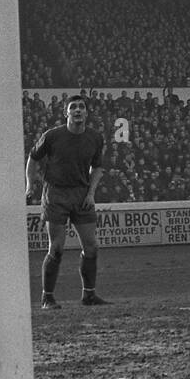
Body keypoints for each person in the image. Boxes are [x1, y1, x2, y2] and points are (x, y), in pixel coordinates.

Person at [27, 94, 110, 308]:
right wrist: (30, 184)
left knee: (91, 247)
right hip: (56, 194)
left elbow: (98, 168)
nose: (78, 110)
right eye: (73, 107)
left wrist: (91, 193)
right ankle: (47, 298)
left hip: (81, 194)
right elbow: (33, 158)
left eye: (82, 107)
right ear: (66, 113)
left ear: (87, 112)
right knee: (56, 247)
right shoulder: (53, 136)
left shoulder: (95, 138)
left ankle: (89, 295)